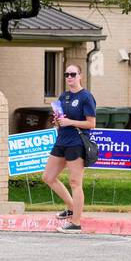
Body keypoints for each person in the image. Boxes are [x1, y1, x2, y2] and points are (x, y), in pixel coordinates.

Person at [44, 63, 97, 233]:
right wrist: (57, 121)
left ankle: (76, 223)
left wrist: (70, 122)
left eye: (73, 74)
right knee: (48, 177)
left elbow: (91, 124)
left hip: (77, 143)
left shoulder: (86, 97)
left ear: (80, 76)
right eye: (67, 74)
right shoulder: (63, 96)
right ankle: (71, 207)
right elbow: (59, 118)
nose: (69, 77)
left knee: (75, 182)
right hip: (61, 141)